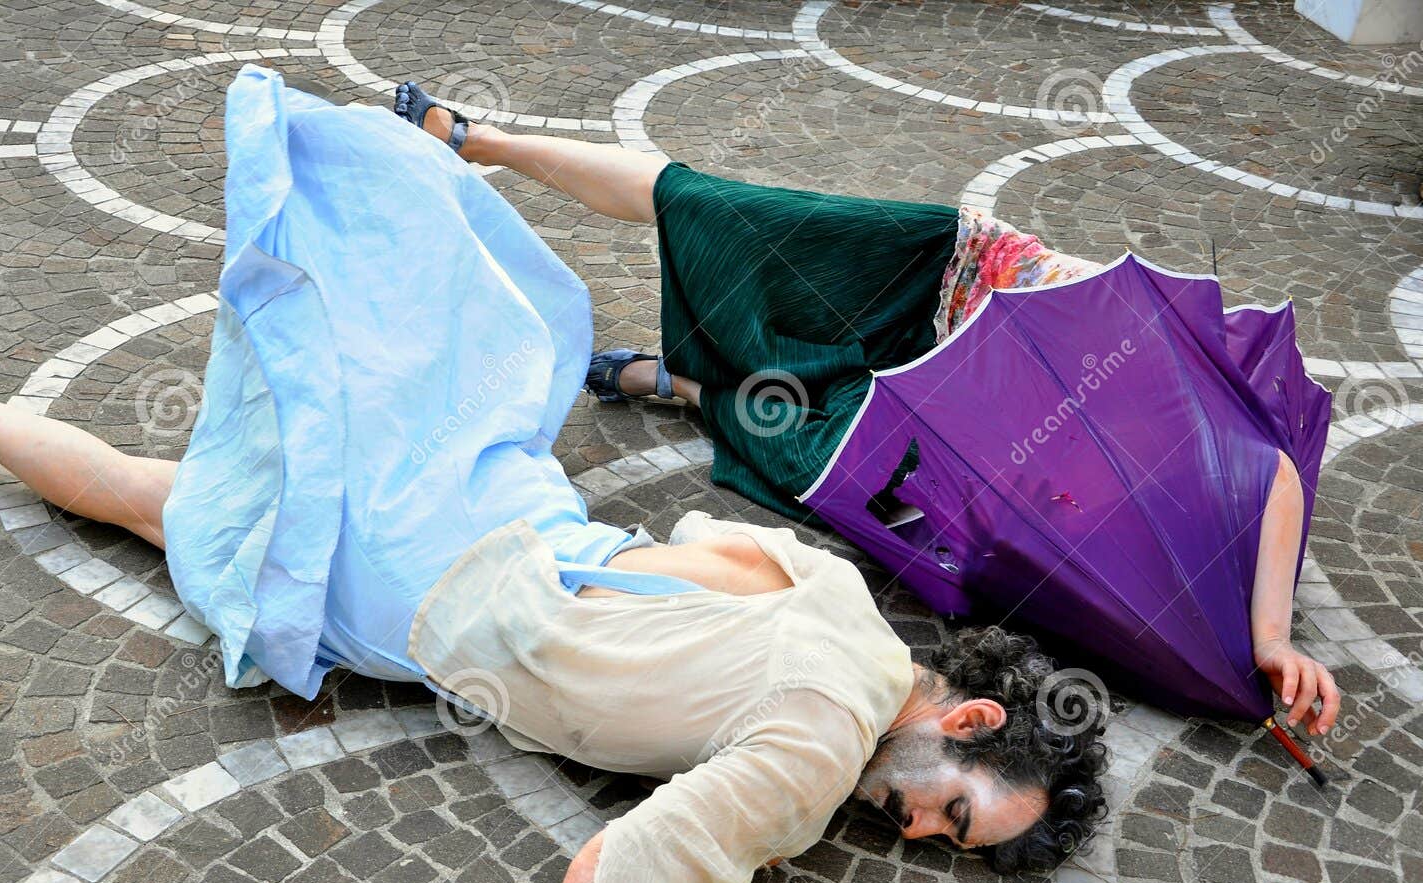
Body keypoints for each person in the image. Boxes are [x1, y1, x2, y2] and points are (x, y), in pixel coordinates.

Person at [0, 68, 1107, 883]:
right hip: (426, 593)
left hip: (506, 498)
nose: (921, 835)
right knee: (155, 505)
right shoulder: (813, 757)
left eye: (947, 842)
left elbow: (705, 536)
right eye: (955, 811)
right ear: (974, 715)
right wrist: (759, 835)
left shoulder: (849, 612)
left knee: (301, 405)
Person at [390, 82, 1342, 740]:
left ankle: (665, 380)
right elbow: (1274, 473)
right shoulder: (1195, 438)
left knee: (782, 427)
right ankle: (477, 139)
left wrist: (1261, 648)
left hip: (930, 423)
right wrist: (1269, 632)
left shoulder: (1140, 580)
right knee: (716, 210)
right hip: (948, 284)